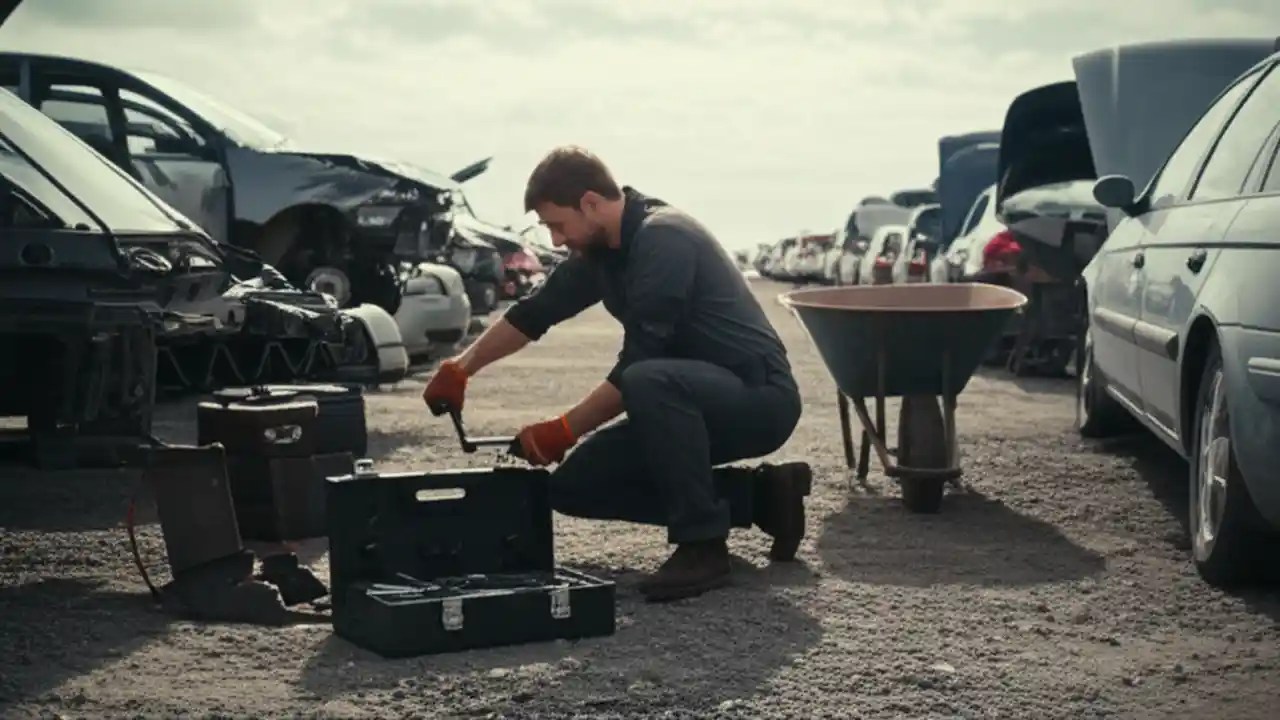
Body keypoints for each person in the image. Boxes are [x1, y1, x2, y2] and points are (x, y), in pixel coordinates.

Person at [422, 146, 810, 602]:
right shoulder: (603, 250)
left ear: (589, 203)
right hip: (684, 401)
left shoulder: (665, 239)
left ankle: (703, 546)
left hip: (758, 398)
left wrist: (563, 430)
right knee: (575, 485)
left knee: (648, 378)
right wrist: (460, 369)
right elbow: (535, 314)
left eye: (557, 225)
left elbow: (637, 366)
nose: (556, 240)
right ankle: (765, 498)